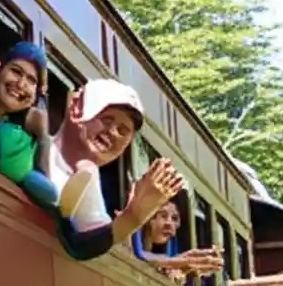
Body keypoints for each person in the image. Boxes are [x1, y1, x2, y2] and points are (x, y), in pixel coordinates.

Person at [46, 79, 183, 261]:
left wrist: (135, 214)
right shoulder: (37, 146)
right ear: (76, 108)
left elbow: (86, 243)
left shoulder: (89, 177)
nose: (113, 132)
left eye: (123, 130)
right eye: (106, 120)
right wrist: (133, 216)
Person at [0, 42, 70, 208]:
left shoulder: (21, 137)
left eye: (31, 81)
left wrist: (43, 136)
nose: (21, 84)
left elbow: (46, 194)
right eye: (16, 71)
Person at [131, 201, 224, 284]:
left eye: (174, 218)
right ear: (149, 218)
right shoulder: (133, 231)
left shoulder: (172, 245)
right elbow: (138, 255)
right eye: (163, 216)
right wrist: (179, 262)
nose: (169, 223)